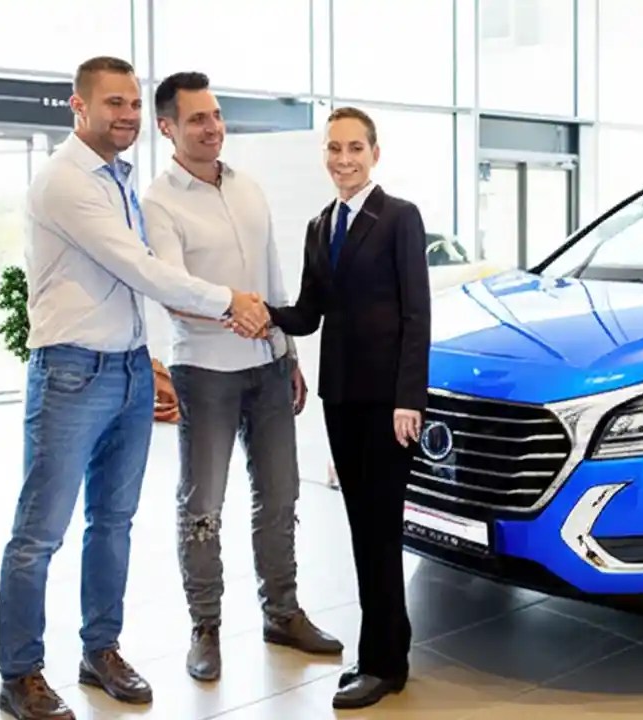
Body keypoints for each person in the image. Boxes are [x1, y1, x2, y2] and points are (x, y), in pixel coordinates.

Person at [0, 56, 268, 720]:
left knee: (112, 523)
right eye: (113, 103)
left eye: (134, 104)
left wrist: (147, 360)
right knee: (39, 534)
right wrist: (231, 300)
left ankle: (100, 651)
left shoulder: (118, 179)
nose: (127, 115)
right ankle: (19, 674)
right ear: (78, 108)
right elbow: (140, 268)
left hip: (123, 369)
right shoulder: (67, 182)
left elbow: (124, 290)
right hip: (69, 373)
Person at [142, 71, 343, 682]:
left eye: (217, 114)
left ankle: (282, 611)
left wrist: (288, 353)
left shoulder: (248, 188)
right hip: (204, 372)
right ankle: (205, 626)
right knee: (202, 504)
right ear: (168, 127)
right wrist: (233, 302)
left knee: (280, 497)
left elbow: (274, 277)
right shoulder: (158, 201)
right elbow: (171, 288)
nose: (212, 127)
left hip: (268, 368)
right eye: (197, 118)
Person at [261, 106, 430, 710]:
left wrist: (409, 398)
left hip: (389, 403)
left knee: (380, 531)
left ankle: (385, 662)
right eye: (334, 148)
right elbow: (310, 312)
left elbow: (417, 314)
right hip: (342, 397)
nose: (343, 159)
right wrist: (262, 312)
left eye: (355, 148)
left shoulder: (399, 218)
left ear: (375, 154)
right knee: (361, 527)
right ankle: (384, 649)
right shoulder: (319, 225)